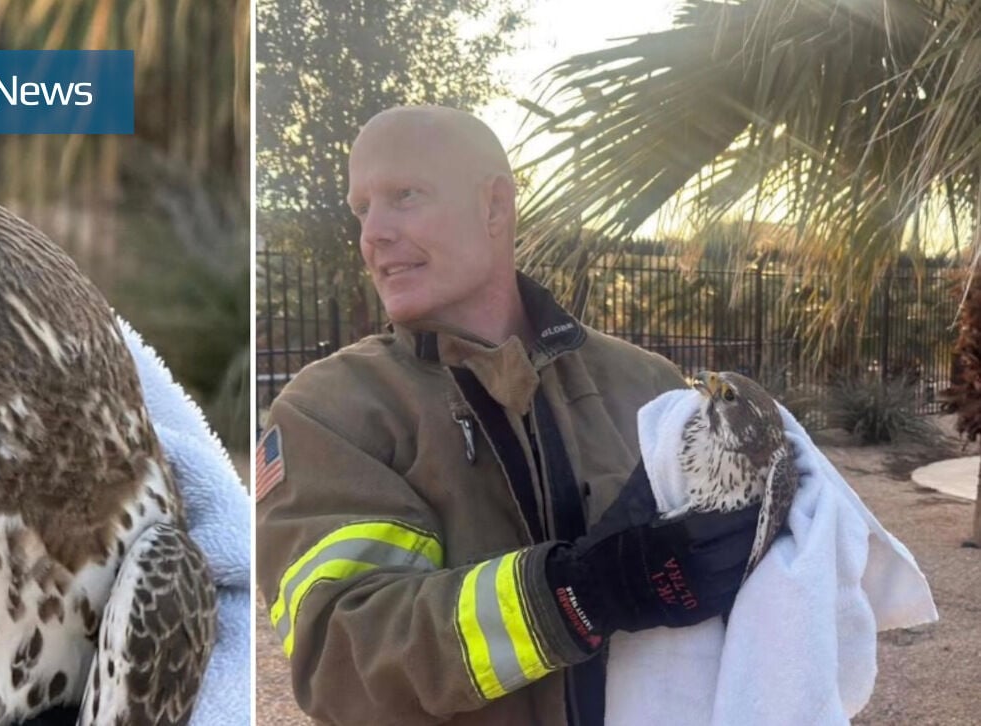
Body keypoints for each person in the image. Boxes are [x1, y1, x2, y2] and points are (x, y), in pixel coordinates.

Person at [255, 106, 764, 726]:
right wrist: (576, 597)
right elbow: (343, 658)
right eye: (362, 209)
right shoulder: (326, 413)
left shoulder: (647, 385)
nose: (372, 235)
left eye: (404, 196)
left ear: (494, 205)